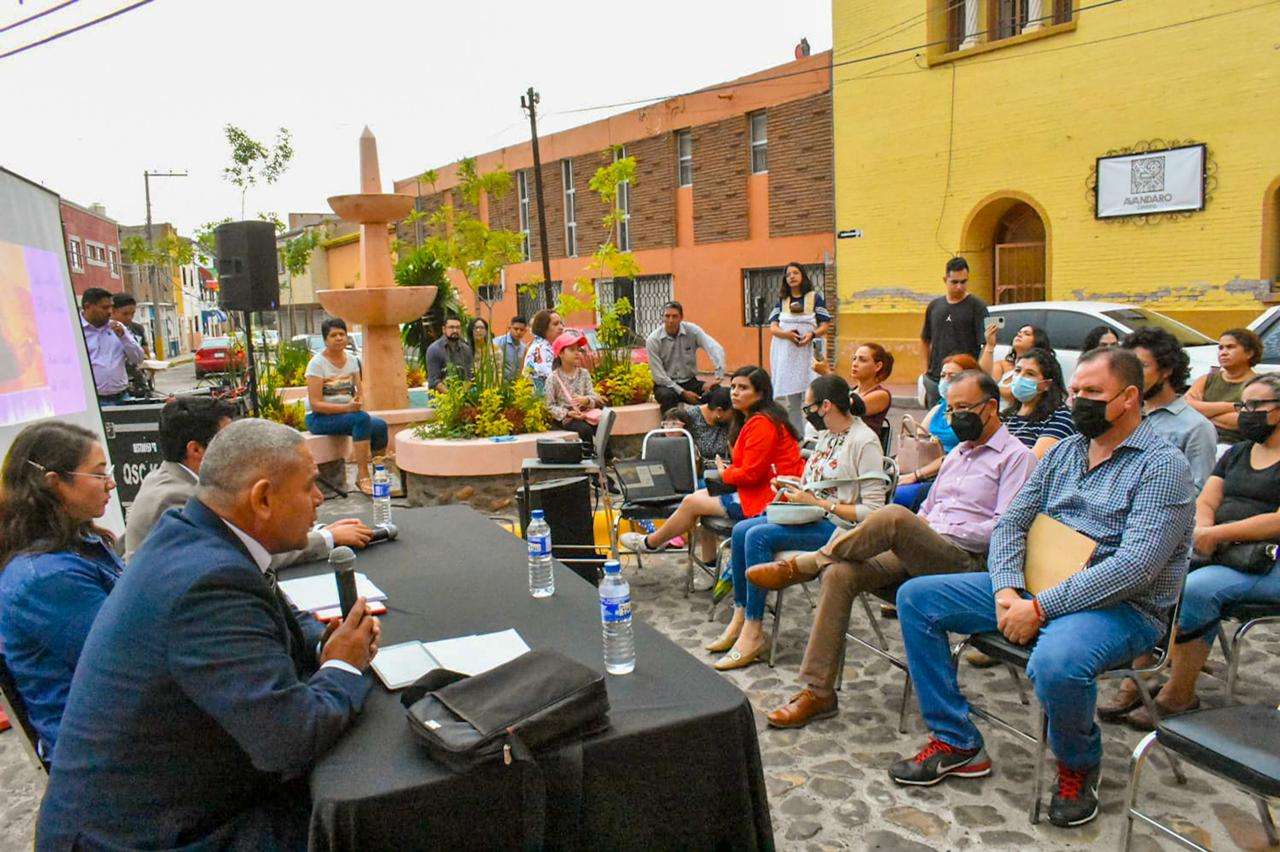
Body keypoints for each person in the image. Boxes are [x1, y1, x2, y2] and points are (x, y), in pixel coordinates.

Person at [36, 419, 380, 850]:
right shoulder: (208, 581)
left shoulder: (196, 534)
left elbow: (277, 616)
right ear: (262, 498)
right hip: (146, 836)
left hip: (167, 804)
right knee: (374, 822)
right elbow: (290, 740)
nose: (319, 499)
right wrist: (343, 665)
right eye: (310, 485)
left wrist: (321, 641)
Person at [886, 348, 1194, 829]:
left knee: (1056, 663)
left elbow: (1136, 567)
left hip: (1121, 607)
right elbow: (1011, 523)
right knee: (917, 598)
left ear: (1130, 397)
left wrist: (1041, 608)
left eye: (1093, 392)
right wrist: (1008, 591)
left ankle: (1078, 764)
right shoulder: (1068, 451)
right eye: (1076, 391)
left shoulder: (1162, 466)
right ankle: (956, 740)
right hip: (1036, 584)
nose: (1079, 401)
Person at [749, 370, 1036, 728]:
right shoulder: (958, 454)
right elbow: (929, 507)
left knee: (896, 516)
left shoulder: (1017, 458)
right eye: (950, 409)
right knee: (839, 573)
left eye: (963, 408)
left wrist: (928, 530)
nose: (954, 417)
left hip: (967, 563)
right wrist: (922, 529)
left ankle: (805, 565)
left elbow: (1004, 530)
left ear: (991, 407)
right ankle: (818, 692)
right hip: (920, 550)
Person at [1117, 374, 1280, 731]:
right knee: (1154, 570)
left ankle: (1180, 692)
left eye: (1256, 406)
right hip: (1221, 550)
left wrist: (1217, 534)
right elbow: (1207, 499)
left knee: (1198, 590)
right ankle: (1141, 676)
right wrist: (1203, 530)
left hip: (1267, 561)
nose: (1246, 413)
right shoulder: (1238, 452)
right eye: (1243, 405)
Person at [708, 375, 887, 671]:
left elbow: (874, 511)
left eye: (808, 407)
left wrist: (819, 503)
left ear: (825, 406)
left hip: (841, 529)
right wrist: (789, 483)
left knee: (757, 537)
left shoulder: (864, 441)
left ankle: (753, 631)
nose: (805, 414)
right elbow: (814, 483)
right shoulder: (827, 435)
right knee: (741, 530)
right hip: (811, 515)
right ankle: (741, 616)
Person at [125, 396, 373, 560]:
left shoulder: (170, 477)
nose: (238, 449)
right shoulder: (175, 499)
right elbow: (243, 552)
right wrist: (327, 539)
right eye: (227, 442)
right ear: (196, 450)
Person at [0, 423, 121, 759]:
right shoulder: (45, 578)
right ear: (54, 483)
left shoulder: (81, 541)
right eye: (98, 474)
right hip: (100, 751)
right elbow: (127, 662)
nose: (111, 483)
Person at [621, 367, 804, 554]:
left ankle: (650, 543)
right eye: (733, 386)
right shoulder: (752, 420)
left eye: (743, 388)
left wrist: (725, 473)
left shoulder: (762, 424)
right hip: (759, 489)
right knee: (694, 497)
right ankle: (705, 560)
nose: (735, 392)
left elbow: (750, 474)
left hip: (770, 498)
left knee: (692, 502)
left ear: (760, 394)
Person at [1121, 327, 1217, 489]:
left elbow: (1200, 488)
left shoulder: (1196, 427)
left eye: (1142, 366)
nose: (1132, 375)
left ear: (1166, 370)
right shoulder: (1123, 414)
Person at [304, 317, 389, 495]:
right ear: (325, 339)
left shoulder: (352, 360)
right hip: (319, 418)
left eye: (342, 334)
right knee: (361, 419)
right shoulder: (317, 364)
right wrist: (347, 408)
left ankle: (379, 474)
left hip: (346, 415)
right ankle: (362, 476)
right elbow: (316, 404)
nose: (339, 338)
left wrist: (358, 400)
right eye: (333, 335)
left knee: (380, 426)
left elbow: (359, 389)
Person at [893, 354, 975, 511]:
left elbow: (957, 455)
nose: (946, 381)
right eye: (943, 376)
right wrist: (897, 466)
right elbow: (917, 439)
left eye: (952, 376)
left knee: (898, 495)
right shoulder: (938, 408)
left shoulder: (969, 413)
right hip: (923, 467)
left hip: (947, 474)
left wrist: (916, 475)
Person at [768, 263, 832, 433]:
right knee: (793, 403)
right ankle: (798, 437)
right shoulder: (782, 300)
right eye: (788, 274)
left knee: (815, 396)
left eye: (795, 273)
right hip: (788, 356)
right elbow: (773, 327)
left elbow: (825, 325)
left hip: (809, 353)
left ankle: (818, 434)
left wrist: (812, 334)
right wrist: (787, 334)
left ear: (802, 275)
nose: (792, 276)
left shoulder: (814, 298)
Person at [920, 257, 988, 407]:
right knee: (935, 418)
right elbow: (925, 339)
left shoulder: (977, 307)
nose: (959, 286)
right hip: (935, 379)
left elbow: (985, 345)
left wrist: (978, 375)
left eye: (963, 282)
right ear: (945, 280)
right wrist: (925, 371)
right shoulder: (934, 306)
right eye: (954, 282)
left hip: (964, 380)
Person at [1186, 328, 1264, 445]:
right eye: (1221, 348)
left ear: (1249, 353)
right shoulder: (1206, 379)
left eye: (1230, 347)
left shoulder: (1259, 385)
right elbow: (1186, 409)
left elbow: (1243, 421)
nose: (1223, 352)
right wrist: (1234, 406)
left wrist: (1202, 412)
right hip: (1196, 440)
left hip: (1233, 445)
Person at [646, 301, 726, 412]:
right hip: (666, 385)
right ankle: (671, 422)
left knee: (718, 392)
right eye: (667, 316)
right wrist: (683, 393)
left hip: (690, 382)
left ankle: (711, 422)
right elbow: (659, 376)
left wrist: (718, 377)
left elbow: (714, 348)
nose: (670, 320)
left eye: (675, 316)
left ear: (681, 317)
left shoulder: (693, 331)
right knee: (668, 397)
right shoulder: (653, 340)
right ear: (662, 318)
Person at [1001, 347, 1075, 458]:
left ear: (1046, 384)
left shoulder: (1060, 417)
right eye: (1017, 370)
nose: (1020, 377)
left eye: (1030, 374)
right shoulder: (1007, 416)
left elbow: (1032, 462)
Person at [80, 287, 143, 403]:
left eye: (111, 307)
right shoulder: (75, 330)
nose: (109, 312)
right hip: (92, 400)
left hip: (121, 397)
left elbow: (138, 359)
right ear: (88, 306)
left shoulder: (118, 328)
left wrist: (124, 338)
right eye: (104, 308)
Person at [545, 330, 606, 444]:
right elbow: (549, 406)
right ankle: (588, 454)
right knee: (585, 430)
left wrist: (586, 400)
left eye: (578, 349)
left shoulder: (584, 373)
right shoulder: (553, 379)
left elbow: (592, 395)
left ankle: (606, 454)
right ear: (561, 353)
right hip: (568, 418)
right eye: (572, 350)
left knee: (602, 426)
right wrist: (567, 413)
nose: (577, 353)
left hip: (586, 413)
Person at [981, 323, 1052, 403]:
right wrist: (990, 345)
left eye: (1027, 334)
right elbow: (981, 377)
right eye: (1019, 333)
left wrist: (987, 387)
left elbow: (1014, 394)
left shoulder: (1042, 368)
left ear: (1038, 341)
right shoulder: (1002, 364)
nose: (1019, 335)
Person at [668, 385, 735, 463]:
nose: (736, 416)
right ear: (719, 411)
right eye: (733, 412)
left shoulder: (731, 423)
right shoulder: (689, 418)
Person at [849, 342, 894, 439]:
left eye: (862, 360)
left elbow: (851, 407)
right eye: (854, 358)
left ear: (878, 366)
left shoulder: (882, 395)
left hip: (864, 445)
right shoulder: (852, 391)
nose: (855, 364)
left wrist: (828, 374)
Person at [426, 314, 475, 391]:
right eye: (451, 327)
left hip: (462, 394)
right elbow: (434, 381)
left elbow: (469, 377)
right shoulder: (434, 349)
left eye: (458, 327)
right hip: (440, 396)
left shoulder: (466, 349)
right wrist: (452, 395)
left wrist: (462, 394)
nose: (455, 330)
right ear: (444, 329)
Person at [523, 309, 565, 392]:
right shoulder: (540, 348)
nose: (561, 327)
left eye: (561, 323)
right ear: (543, 328)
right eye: (555, 324)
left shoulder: (550, 347)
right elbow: (552, 377)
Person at [493, 315, 529, 381]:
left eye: (521, 330)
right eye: (516, 329)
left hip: (516, 384)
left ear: (525, 331)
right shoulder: (499, 342)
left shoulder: (523, 348)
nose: (518, 332)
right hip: (500, 383)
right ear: (510, 328)